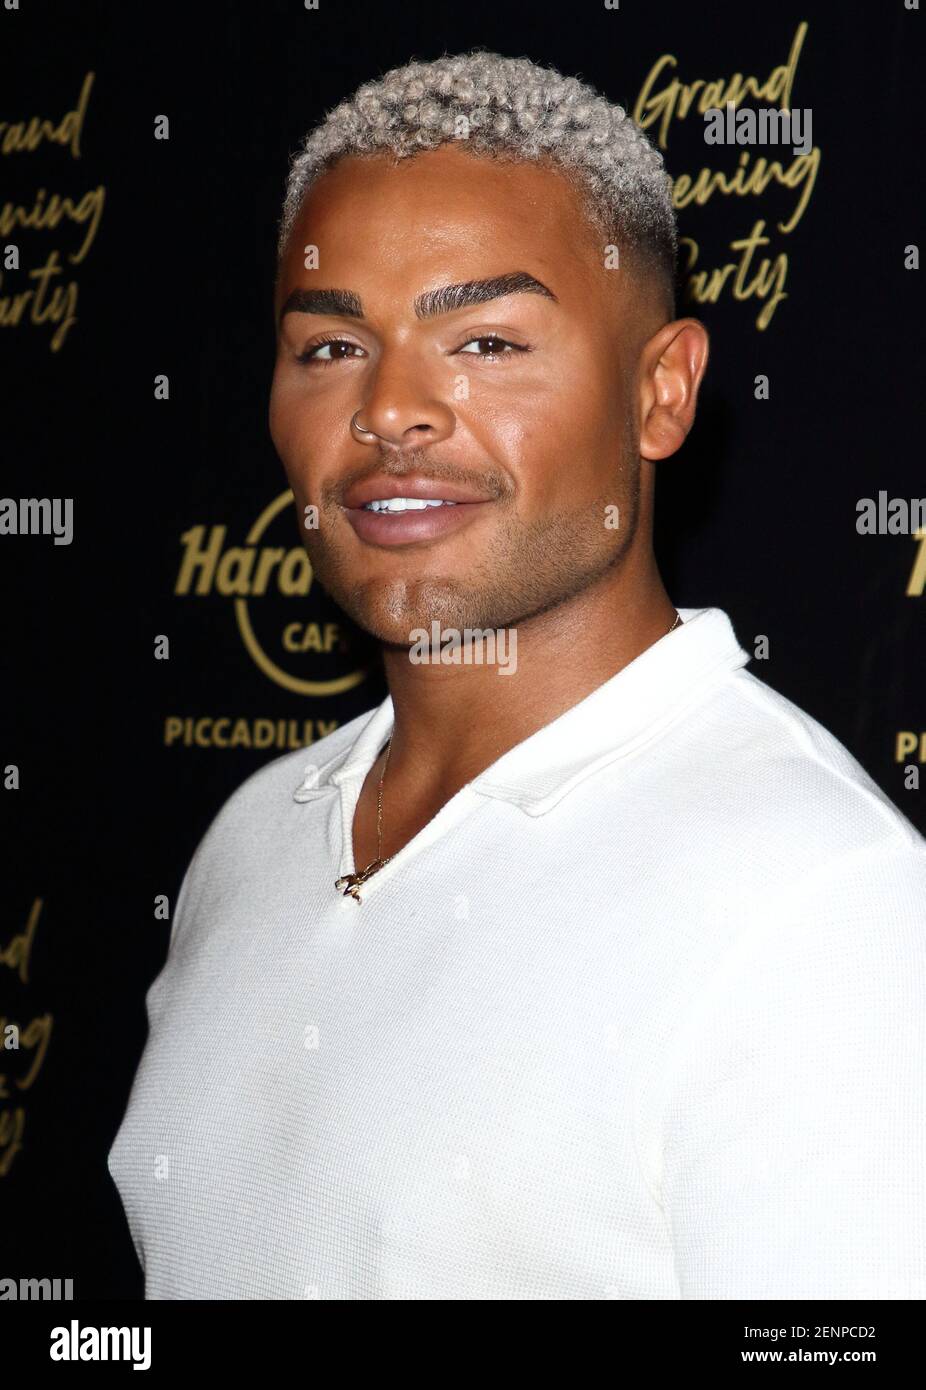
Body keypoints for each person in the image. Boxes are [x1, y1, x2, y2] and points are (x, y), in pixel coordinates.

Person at [108, 50, 926, 1300]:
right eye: (329, 348)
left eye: (484, 340)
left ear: (660, 392)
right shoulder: (251, 836)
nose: (391, 412)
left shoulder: (818, 904)